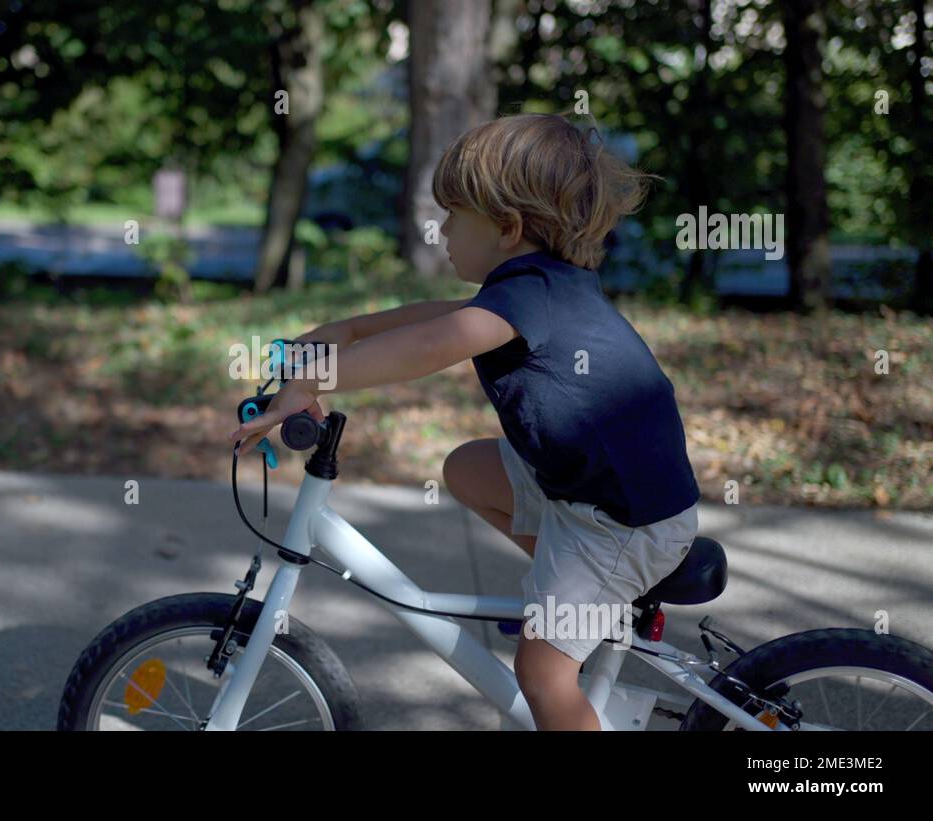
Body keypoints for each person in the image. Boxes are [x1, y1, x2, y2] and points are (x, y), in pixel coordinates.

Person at [226, 112, 700, 730]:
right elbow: (421, 321)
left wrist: (320, 376)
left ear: (507, 228)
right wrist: (328, 341)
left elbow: (431, 345)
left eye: (453, 215)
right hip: (592, 493)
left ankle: (581, 603)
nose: (441, 228)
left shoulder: (527, 296)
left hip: (621, 523)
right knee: (469, 468)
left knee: (541, 672)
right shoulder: (533, 288)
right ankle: (575, 596)